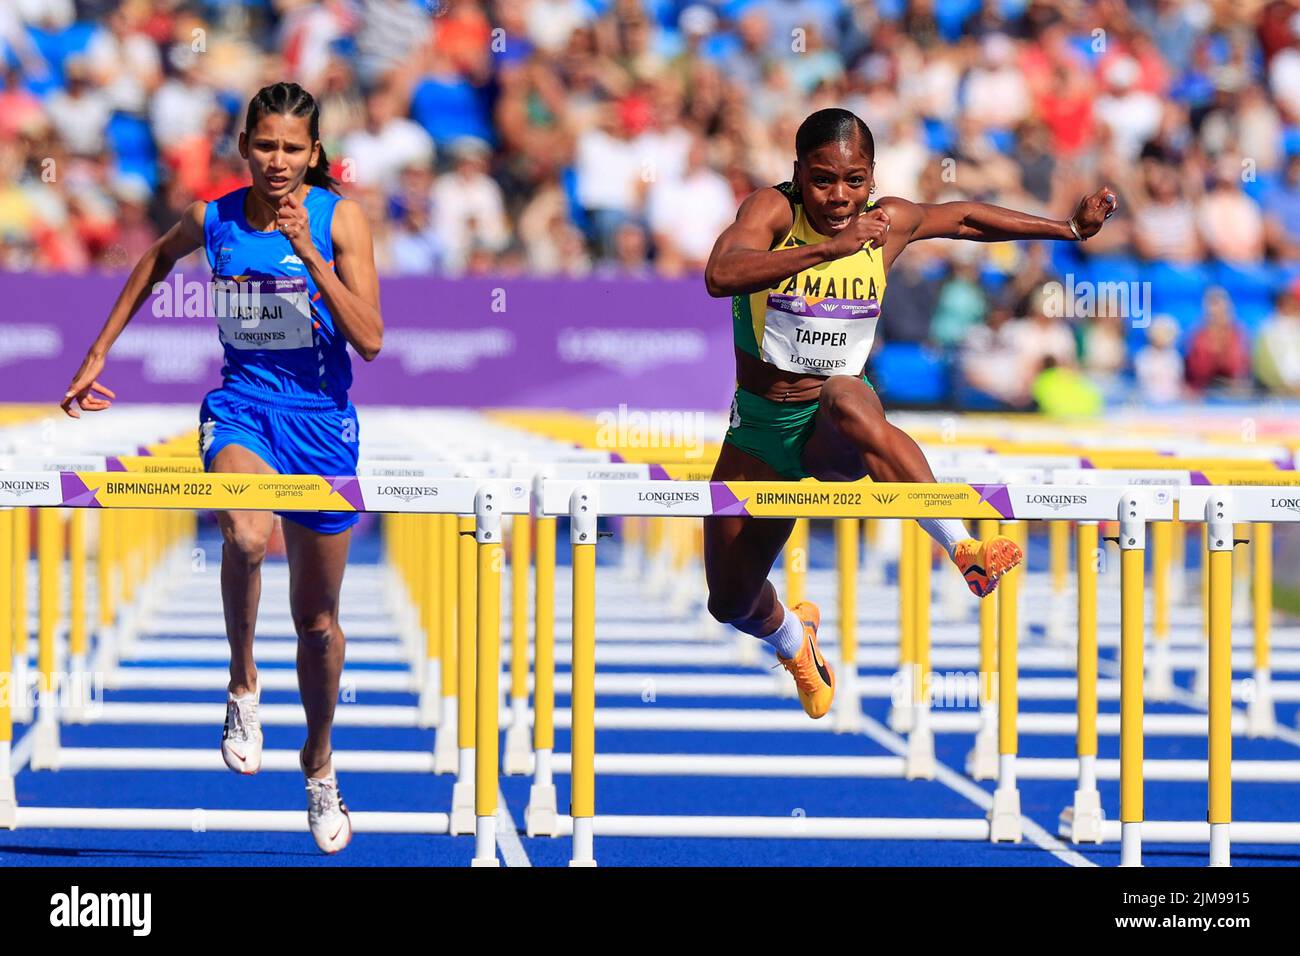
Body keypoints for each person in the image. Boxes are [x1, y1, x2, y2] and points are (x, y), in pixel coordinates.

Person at [703, 107, 1116, 719]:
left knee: (847, 391)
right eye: (822, 180)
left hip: (832, 427)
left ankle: (964, 547)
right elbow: (720, 274)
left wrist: (1068, 231)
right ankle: (796, 642)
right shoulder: (772, 210)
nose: (838, 197)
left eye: (854, 180)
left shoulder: (887, 221)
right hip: (759, 431)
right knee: (729, 601)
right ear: (797, 173)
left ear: (872, 177)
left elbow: (967, 217)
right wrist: (826, 253)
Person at [59, 82, 384, 853]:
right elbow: (153, 261)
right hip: (241, 410)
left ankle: (319, 762)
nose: (277, 162)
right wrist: (99, 351)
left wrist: (312, 257)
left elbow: (370, 339)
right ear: (245, 148)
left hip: (323, 428)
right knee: (243, 533)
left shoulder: (343, 220)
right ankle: (242, 682)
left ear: (314, 156)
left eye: (292, 150)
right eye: (264, 146)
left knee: (319, 622)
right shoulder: (215, 217)